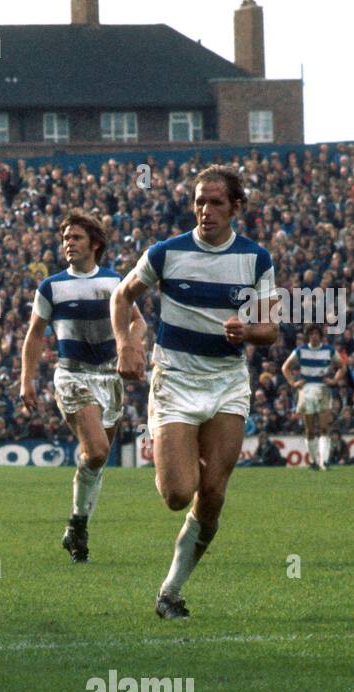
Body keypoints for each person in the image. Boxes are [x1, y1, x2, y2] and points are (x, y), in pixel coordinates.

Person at [110, 165, 279, 619]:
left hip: (226, 382)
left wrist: (248, 331)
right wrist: (126, 343)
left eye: (216, 202)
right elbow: (122, 296)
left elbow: (271, 329)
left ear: (236, 207)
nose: (205, 210)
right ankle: (175, 454)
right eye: (200, 201)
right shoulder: (166, 254)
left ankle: (171, 591)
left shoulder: (256, 259)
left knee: (215, 494)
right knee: (178, 494)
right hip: (177, 381)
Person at [19, 209, 146, 563]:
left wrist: (131, 345)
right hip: (72, 375)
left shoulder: (113, 283)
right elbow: (34, 336)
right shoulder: (51, 286)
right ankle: (78, 524)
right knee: (98, 451)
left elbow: (139, 323)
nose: (68, 244)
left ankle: (77, 528)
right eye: (64, 239)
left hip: (110, 377)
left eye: (75, 238)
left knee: (96, 460)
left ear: (95, 243)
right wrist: (26, 379)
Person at [282, 325, 346, 470]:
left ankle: (325, 461)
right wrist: (293, 383)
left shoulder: (328, 350)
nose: (314, 336)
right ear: (308, 336)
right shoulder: (301, 350)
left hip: (323, 389)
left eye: (317, 334)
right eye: (311, 334)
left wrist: (334, 380)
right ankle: (314, 461)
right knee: (310, 430)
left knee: (324, 428)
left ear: (321, 336)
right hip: (306, 390)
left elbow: (342, 366)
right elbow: (285, 367)